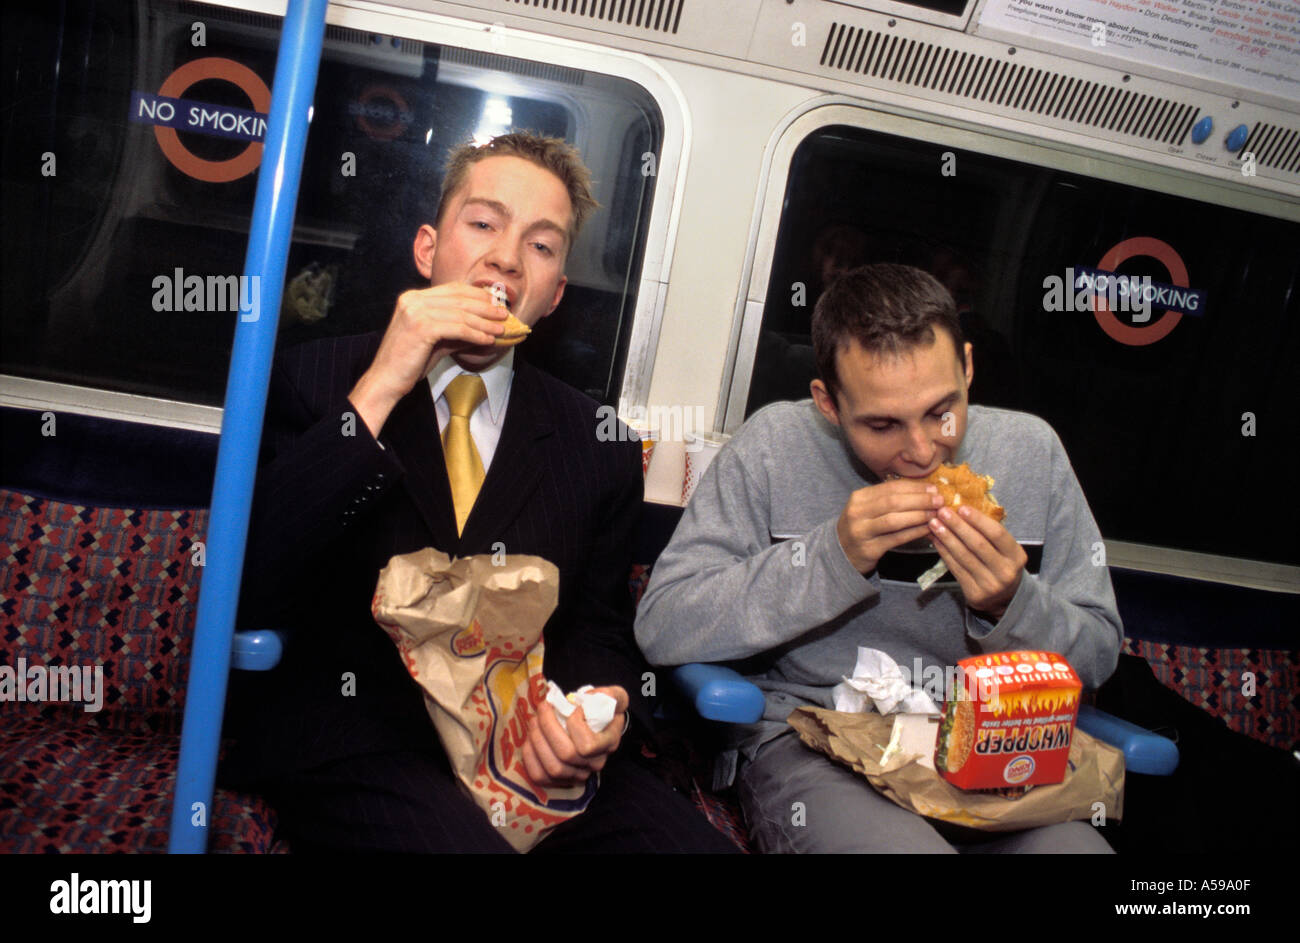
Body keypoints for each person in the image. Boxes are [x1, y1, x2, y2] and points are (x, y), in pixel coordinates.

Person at [222, 132, 735, 853]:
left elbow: (594, 628)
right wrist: (382, 383)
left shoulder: (596, 443)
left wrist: (602, 705)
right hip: (362, 734)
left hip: (525, 737)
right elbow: (248, 582)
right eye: (484, 224)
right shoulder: (314, 379)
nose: (506, 257)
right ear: (428, 249)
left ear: (553, 295)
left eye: (542, 245)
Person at [635, 263, 1122, 853]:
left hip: (994, 751)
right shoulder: (772, 448)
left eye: (942, 411)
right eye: (882, 424)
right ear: (829, 404)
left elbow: (1096, 655)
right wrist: (830, 557)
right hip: (817, 743)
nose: (920, 450)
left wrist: (1010, 604)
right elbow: (665, 625)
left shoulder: (1034, 453)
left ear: (968, 367)